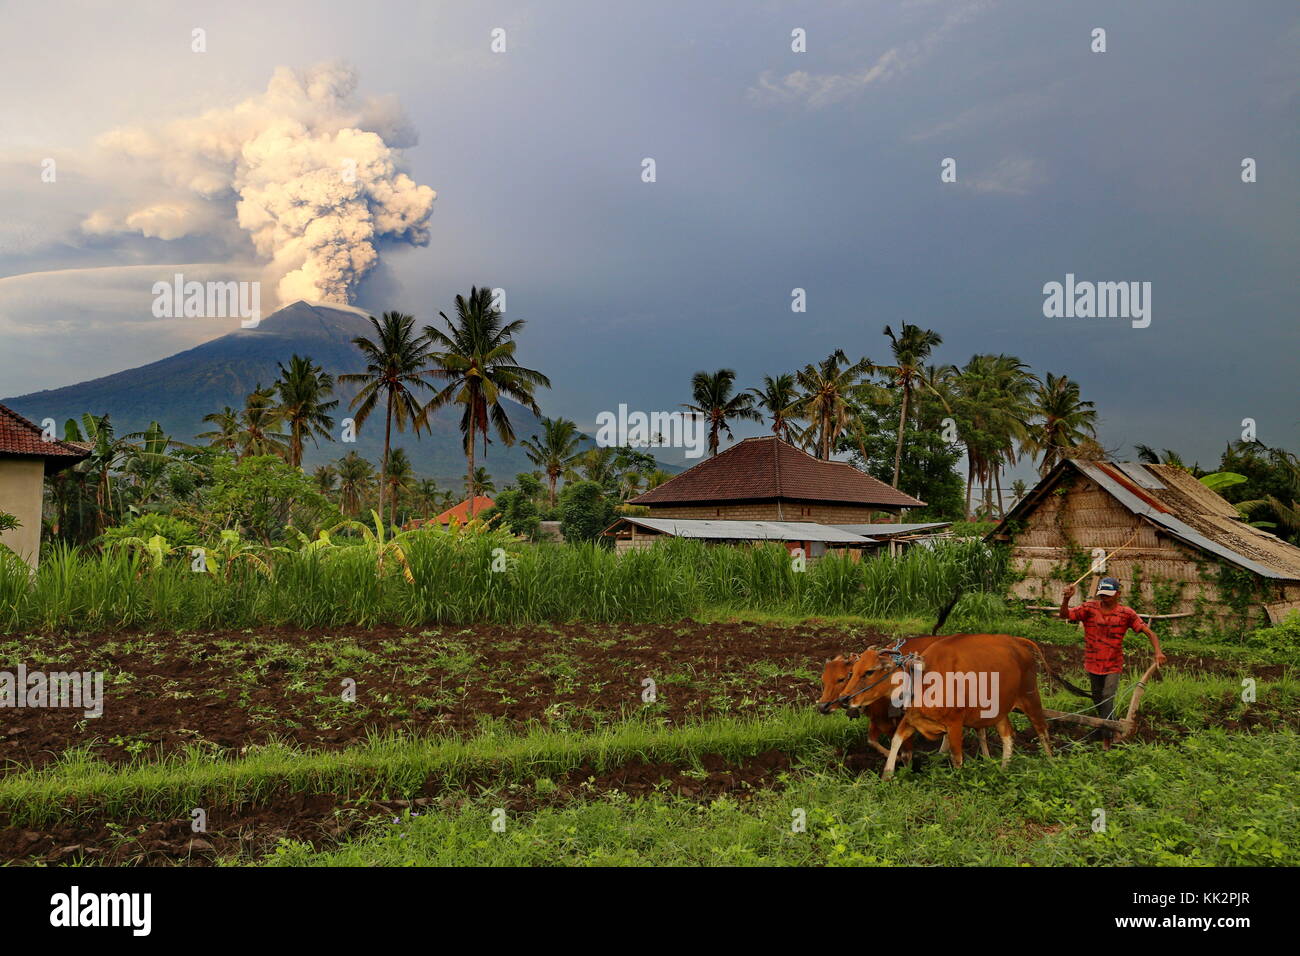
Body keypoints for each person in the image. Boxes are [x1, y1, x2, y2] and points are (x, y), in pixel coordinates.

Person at [1059, 577, 1167, 749]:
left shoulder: (1126, 613)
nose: (1105, 598)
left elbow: (1149, 633)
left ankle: (1107, 739)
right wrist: (1066, 598)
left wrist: (1158, 652)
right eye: (1102, 594)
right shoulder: (1089, 608)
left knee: (1107, 697)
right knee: (1097, 699)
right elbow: (1065, 615)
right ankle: (1112, 725)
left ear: (1118, 593)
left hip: (1113, 665)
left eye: (1109, 595)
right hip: (1093, 663)